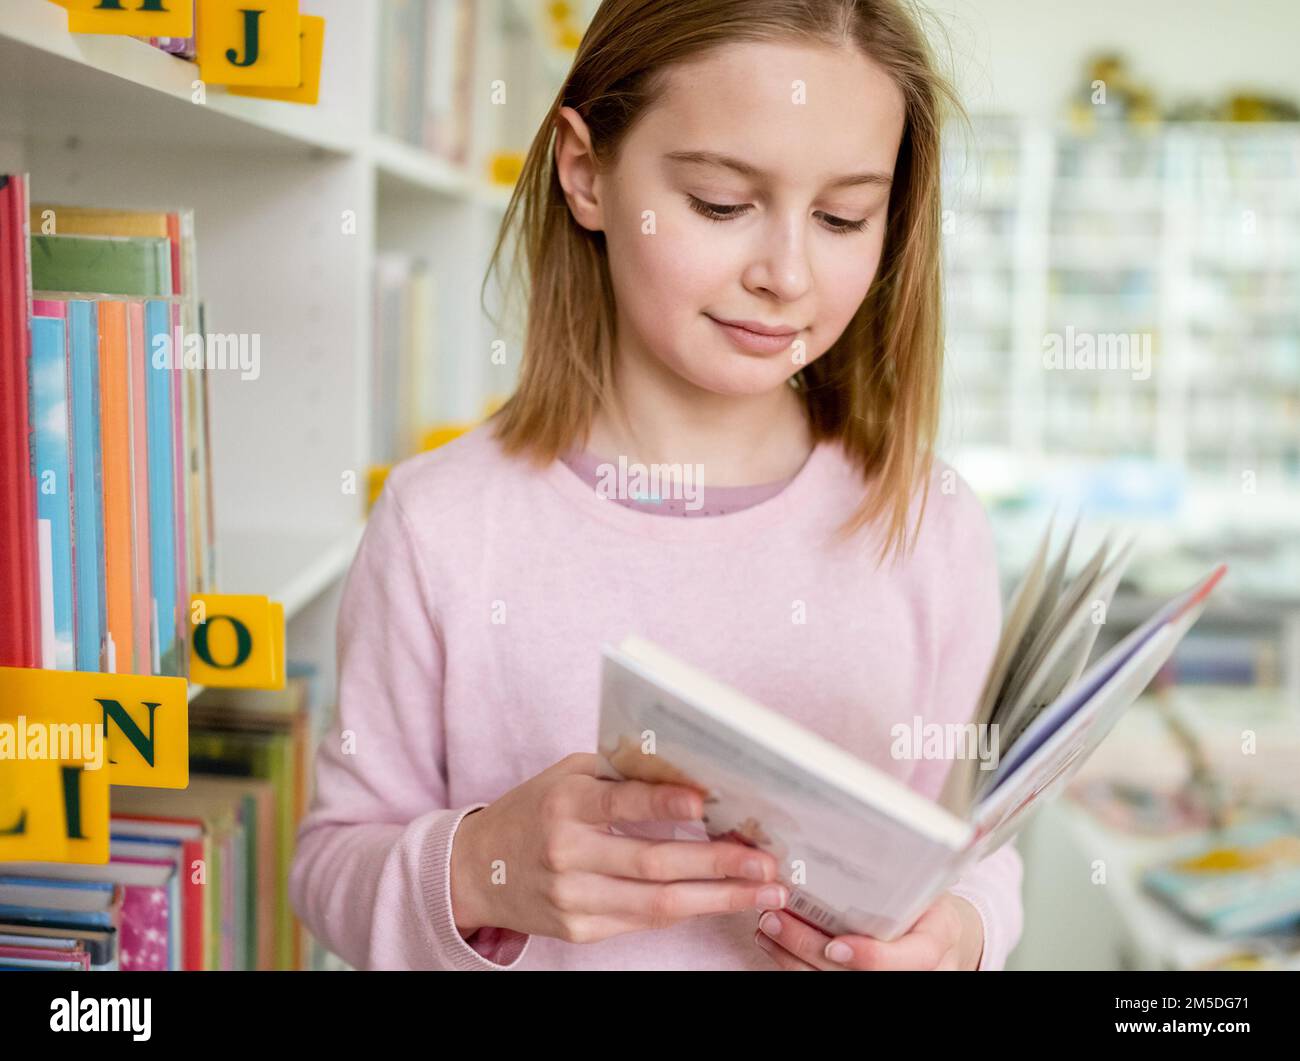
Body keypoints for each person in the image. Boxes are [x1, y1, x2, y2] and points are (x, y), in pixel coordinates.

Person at [289, 0, 1022, 971]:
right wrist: (484, 865)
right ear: (586, 172)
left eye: (844, 216)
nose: (787, 273)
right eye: (721, 203)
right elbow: (330, 866)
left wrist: (956, 938)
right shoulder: (441, 524)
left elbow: (976, 852)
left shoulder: (925, 523)